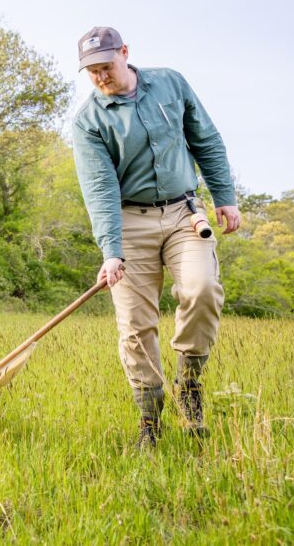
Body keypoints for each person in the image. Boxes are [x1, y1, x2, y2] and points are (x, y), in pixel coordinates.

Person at [70, 26, 241, 448]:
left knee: (202, 290)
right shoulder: (89, 122)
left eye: (106, 66)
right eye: (91, 71)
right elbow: (100, 189)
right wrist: (111, 252)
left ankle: (191, 386)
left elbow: (207, 139)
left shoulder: (170, 83)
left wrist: (225, 196)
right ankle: (150, 419)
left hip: (185, 213)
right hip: (130, 222)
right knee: (135, 325)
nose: (101, 76)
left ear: (125, 53)